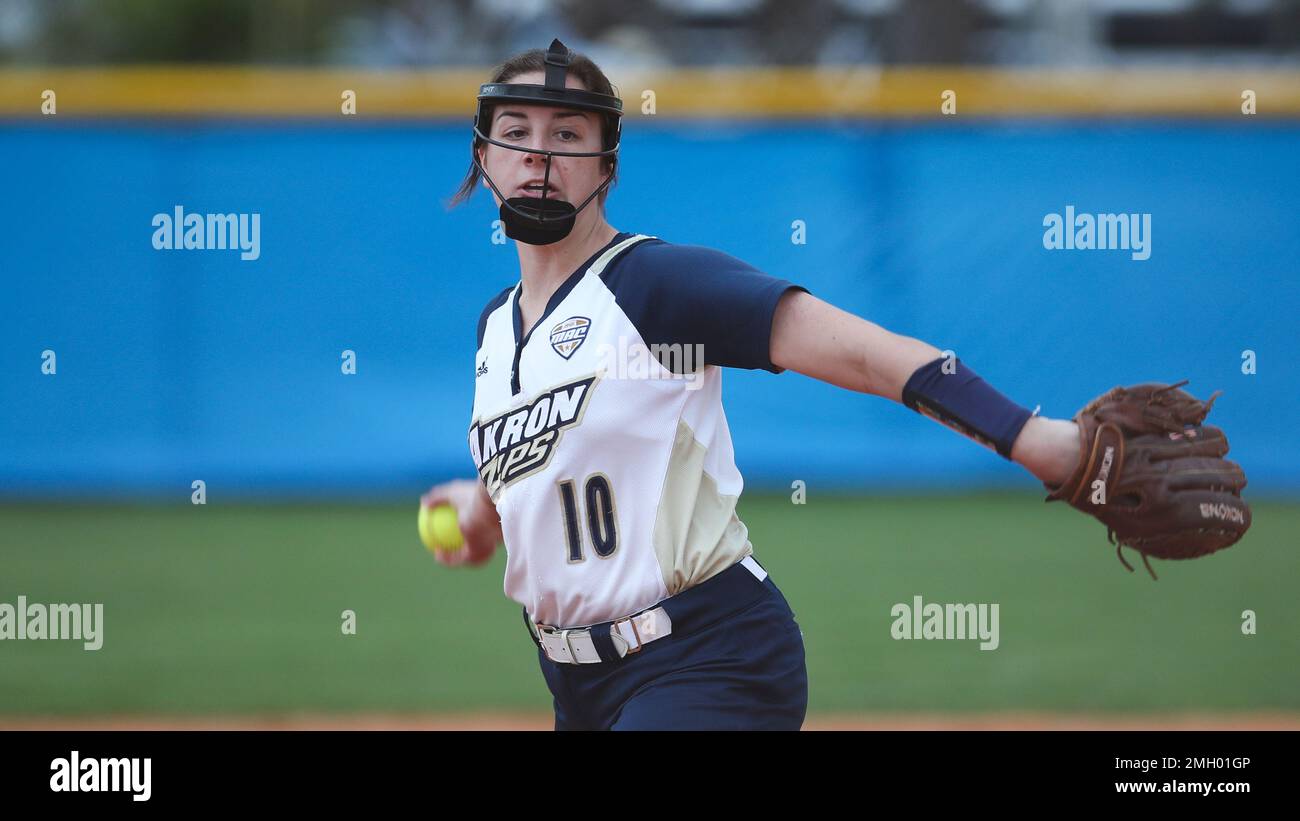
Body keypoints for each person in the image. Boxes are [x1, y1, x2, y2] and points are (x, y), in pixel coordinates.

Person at [422, 39, 1084, 731]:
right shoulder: (496, 329)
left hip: (709, 659)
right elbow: (560, 461)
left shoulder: (653, 283)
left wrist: (1033, 438)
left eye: (567, 133)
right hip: (576, 689)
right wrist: (482, 505)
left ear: (606, 163)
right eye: (516, 132)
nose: (540, 154)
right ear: (483, 155)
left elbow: (866, 354)